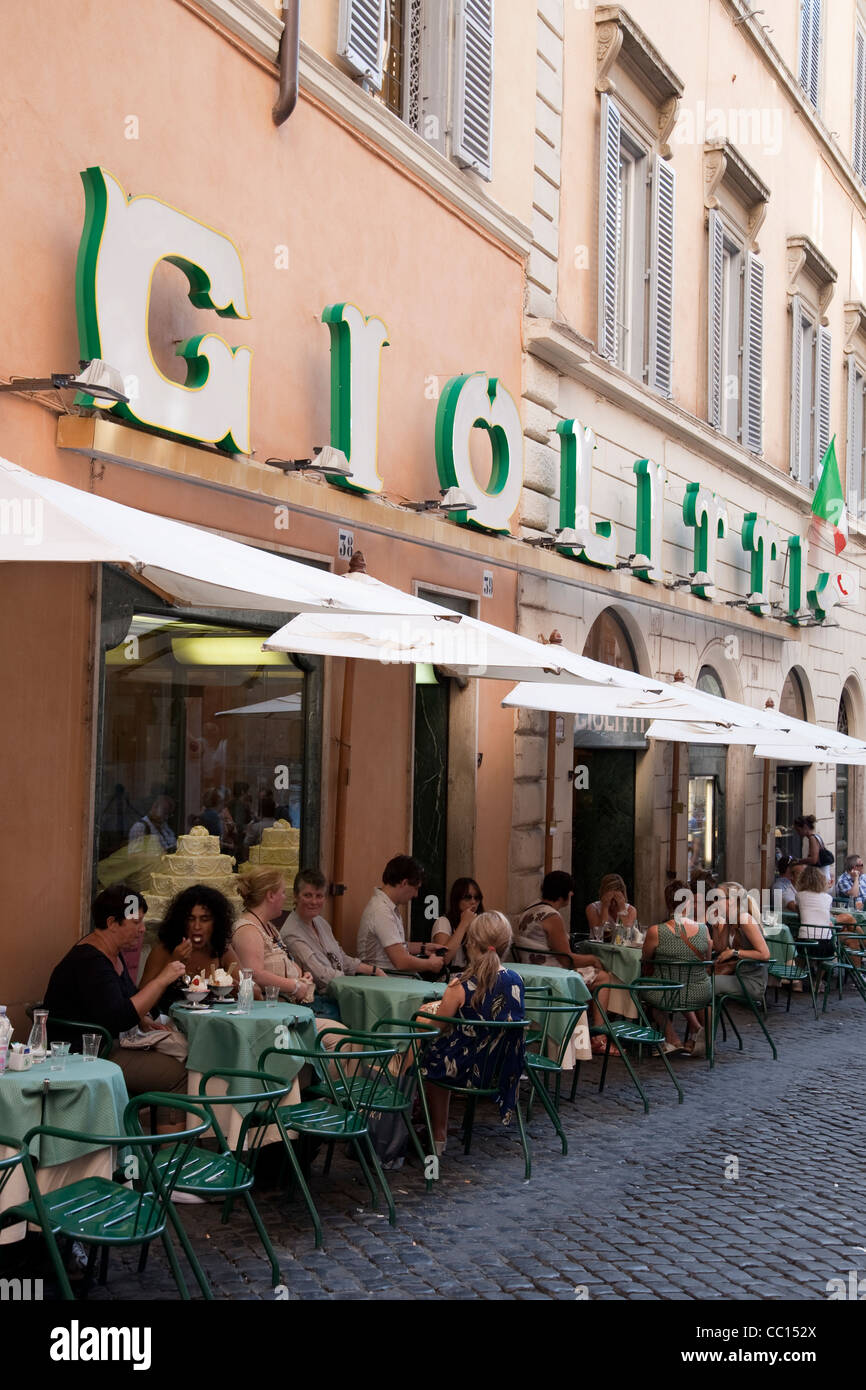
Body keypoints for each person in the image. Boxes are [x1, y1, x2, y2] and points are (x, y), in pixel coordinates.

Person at [43, 884, 188, 1130]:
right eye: (136, 922)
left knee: (178, 1052)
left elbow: (126, 997)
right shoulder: (91, 961)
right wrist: (163, 978)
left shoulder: (110, 952)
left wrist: (144, 1020)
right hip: (87, 1053)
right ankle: (168, 1159)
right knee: (176, 1075)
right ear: (112, 923)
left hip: (107, 1043)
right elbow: (119, 1017)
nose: (142, 929)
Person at [418, 912, 526, 1154]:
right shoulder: (516, 981)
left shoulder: (459, 985)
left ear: (469, 944)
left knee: (432, 1055)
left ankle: (437, 1133)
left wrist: (426, 1014)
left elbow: (436, 1028)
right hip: (502, 1069)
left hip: (465, 1071)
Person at [514, 870, 619, 1051]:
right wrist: (593, 959)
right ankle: (598, 1038)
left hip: (530, 971)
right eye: (570, 890)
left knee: (592, 976)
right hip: (552, 974)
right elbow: (566, 960)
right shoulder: (552, 917)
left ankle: (579, 1033)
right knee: (604, 978)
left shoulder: (528, 911)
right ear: (564, 892)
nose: (572, 894)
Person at [280, 869, 385, 1006]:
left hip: (341, 993)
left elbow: (341, 958)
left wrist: (374, 971)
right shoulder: (291, 933)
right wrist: (358, 984)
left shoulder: (321, 922)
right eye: (308, 895)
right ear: (295, 896)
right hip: (319, 1001)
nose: (314, 901)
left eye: (319, 896)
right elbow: (320, 975)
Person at [139, 885, 241, 1014]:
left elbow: (256, 994)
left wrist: (238, 987)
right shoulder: (164, 951)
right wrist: (173, 962)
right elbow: (140, 1006)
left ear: (216, 923)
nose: (197, 926)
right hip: (169, 1024)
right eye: (190, 919)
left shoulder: (221, 950)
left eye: (205, 919)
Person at [641, 880, 712, 1055]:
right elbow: (707, 962)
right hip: (699, 992)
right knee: (681, 986)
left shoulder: (656, 931)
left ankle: (672, 1039)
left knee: (649, 991)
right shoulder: (704, 930)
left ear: (667, 903)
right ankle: (697, 1030)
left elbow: (645, 960)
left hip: (668, 992)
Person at [232, 866, 316, 1004]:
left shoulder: (268, 927)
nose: (285, 897)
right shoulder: (248, 931)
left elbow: (281, 961)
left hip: (287, 1007)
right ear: (270, 896)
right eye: (282, 892)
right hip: (268, 1013)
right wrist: (294, 986)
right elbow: (254, 974)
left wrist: (300, 976)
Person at [357, 856, 443, 975]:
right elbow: (400, 961)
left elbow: (396, 945)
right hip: (385, 981)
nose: (416, 895)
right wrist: (430, 964)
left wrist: (424, 947)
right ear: (404, 883)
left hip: (394, 978)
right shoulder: (381, 911)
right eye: (416, 888)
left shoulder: (389, 907)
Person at [708, 881, 771, 1001]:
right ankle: (708, 1019)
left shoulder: (744, 918)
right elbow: (720, 948)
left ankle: (707, 1019)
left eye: (717, 898)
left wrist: (734, 952)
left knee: (708, 983)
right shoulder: (730, 920)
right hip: (738, 976)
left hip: (752, 982)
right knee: (704, 982)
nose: (714, 902)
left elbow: (765, 954)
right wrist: (715, 926)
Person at [794, 865, 854, 957]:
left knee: (801, 956)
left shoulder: (799, 895)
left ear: (802, 880)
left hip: (806, 942)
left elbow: (799, 914)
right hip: (826, 944)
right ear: (822, 881)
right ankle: (821, 971)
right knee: (825, 961)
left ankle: (802, 971)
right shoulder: (828, 898)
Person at [430, 878, 485, 968]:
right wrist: (463, 924)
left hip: (472, 974)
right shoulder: (443, 922)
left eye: (477, 897)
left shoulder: (479, 923)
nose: (473, 902)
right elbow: (444, 958)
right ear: (457, 899)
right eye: (468, 897)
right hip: (449, 977)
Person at [585, 873, 638, 938]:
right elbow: (599, 935)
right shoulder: (592, 908)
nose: (613, 904)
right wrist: (605, 907)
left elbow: (626, 936)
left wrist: (622, 908)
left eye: (616, 900)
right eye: (610, 899)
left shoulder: (631, 910)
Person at [793, 814, 834, 888]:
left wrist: (799, 861)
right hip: (824, 876)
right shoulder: (817, 837)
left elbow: (814, 860)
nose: (798, 833)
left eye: (798, 830)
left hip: (821, 879)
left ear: (805, 827)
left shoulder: (812, 839)